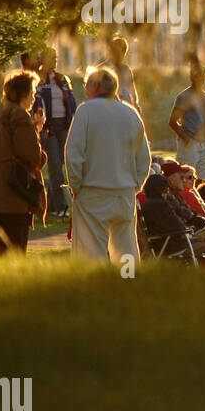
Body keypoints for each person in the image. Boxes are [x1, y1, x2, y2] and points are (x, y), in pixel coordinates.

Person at [65, 66, 152, 263]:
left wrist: (76, 185)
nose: (85, 88)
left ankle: (94, 286)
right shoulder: (131, 114)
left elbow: (74, 154)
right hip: (124, 191)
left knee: (91, 249)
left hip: (92, 190)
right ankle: (127, 283)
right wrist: (135, 184)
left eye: (87, 84)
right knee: (126, 247)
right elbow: (144, 157)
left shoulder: (85, 111)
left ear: (95, 86)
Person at [0, 69, 48, 253]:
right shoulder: (19, 116)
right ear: (23, 95)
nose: (33, 99)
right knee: (13, 257)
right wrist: (37, 134)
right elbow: (31, 157)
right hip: (12, 201)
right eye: (32, 93)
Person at [139, 173, 205, 266]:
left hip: (165, 244)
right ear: (162, 189)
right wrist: (191, 230)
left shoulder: (149, 204)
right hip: (175, 246)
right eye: (166, 189)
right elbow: (179, 227)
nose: (167, 192)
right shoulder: (160, 204)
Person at [34, 46, 77, 218]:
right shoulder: (38, 81)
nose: (55, 61)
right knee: (55, 168)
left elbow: (71, 101)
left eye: (56, 58)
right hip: (48, 128)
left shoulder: (62, 79)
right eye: (52, 58)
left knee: (64, 165)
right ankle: (60, 206)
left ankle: (55, 203)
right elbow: (36, 105)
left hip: (64, 126)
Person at [168, 60, 205, 180]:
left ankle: (203, 199)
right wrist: (186, 138)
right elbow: (173, 121)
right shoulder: (184, 96)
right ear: (191, 77)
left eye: (202, 75)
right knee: (187, 179)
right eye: (197, 75)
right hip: (190, 143)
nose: (200, 78)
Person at [104, 35, 141, 113]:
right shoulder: (103, 69)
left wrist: (136, 106)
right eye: (116, 51)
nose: (120, 54)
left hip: (127, 110)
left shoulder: (126, 69)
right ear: (110, 51)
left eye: (123, 51)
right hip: (110, 110)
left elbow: (132, 92)